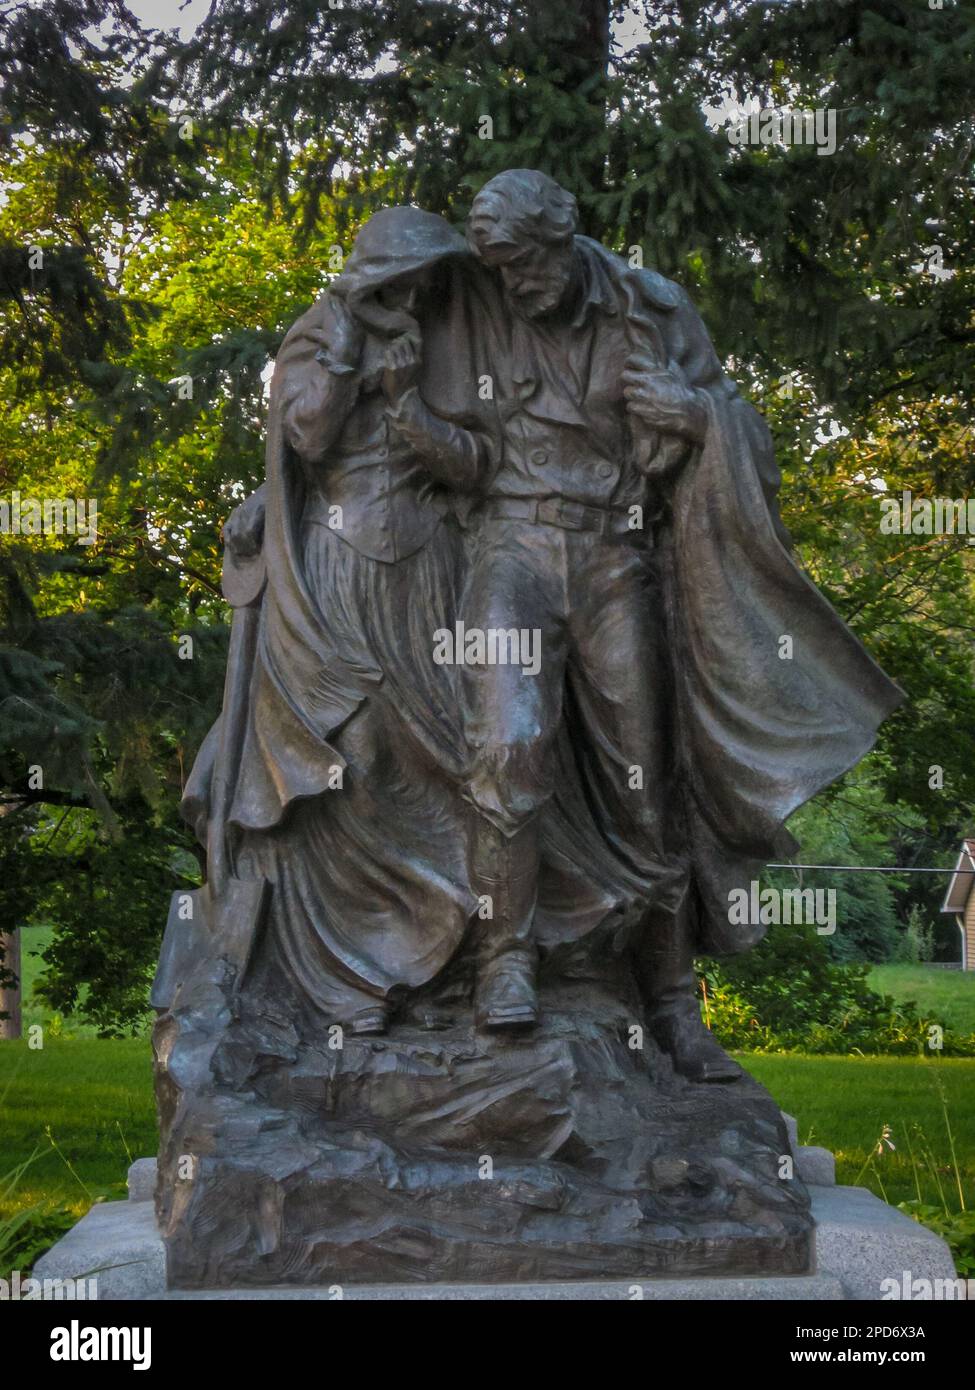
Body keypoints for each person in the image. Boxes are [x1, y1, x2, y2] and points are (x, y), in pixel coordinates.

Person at [459, 169, 902, 1075]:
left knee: (645, 777)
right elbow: (361, 375)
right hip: (508, 550)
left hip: (615, 553)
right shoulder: (467, 304)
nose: (512, 284)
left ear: (561, 236)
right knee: (508, 743)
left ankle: (670, 1005)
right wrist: (275, 504)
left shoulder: (647, 307)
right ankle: (501, 962)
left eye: (522, 263)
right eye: (497, 269)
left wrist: (696, 417)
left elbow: (737, 419)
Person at [183, 207, 498, 1036]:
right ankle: (351, 981)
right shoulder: (315, 336)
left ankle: (451, 967)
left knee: (447, 757)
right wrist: (355, 357)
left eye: (430, 278)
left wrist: (411, 408)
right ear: (375, 278)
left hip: (429, 574)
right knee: (350, 758)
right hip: (331, 567)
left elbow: (476, 465)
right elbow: (307, 435)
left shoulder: (455, 345)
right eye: (407, 278)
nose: (420, 292)